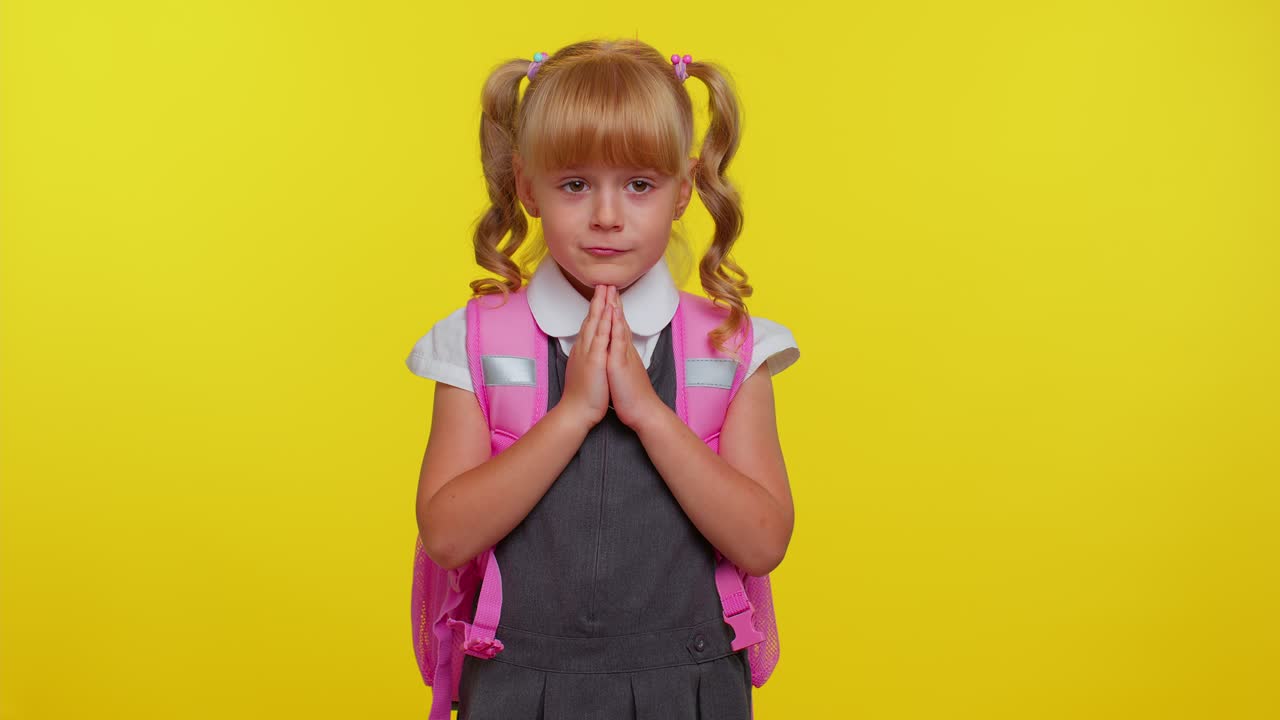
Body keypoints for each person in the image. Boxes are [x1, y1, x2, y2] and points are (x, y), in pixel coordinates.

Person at [406, 37, 800, 719]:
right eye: (575, 184)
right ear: (527, 186)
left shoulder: (733, 346)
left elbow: (763, 542)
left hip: (692, 691)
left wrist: (647, 410)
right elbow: (445, 534)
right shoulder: (471, 341)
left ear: (684, 188)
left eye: (639, 184)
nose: (608, 216)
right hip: (518, 690)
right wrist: (573, 413)